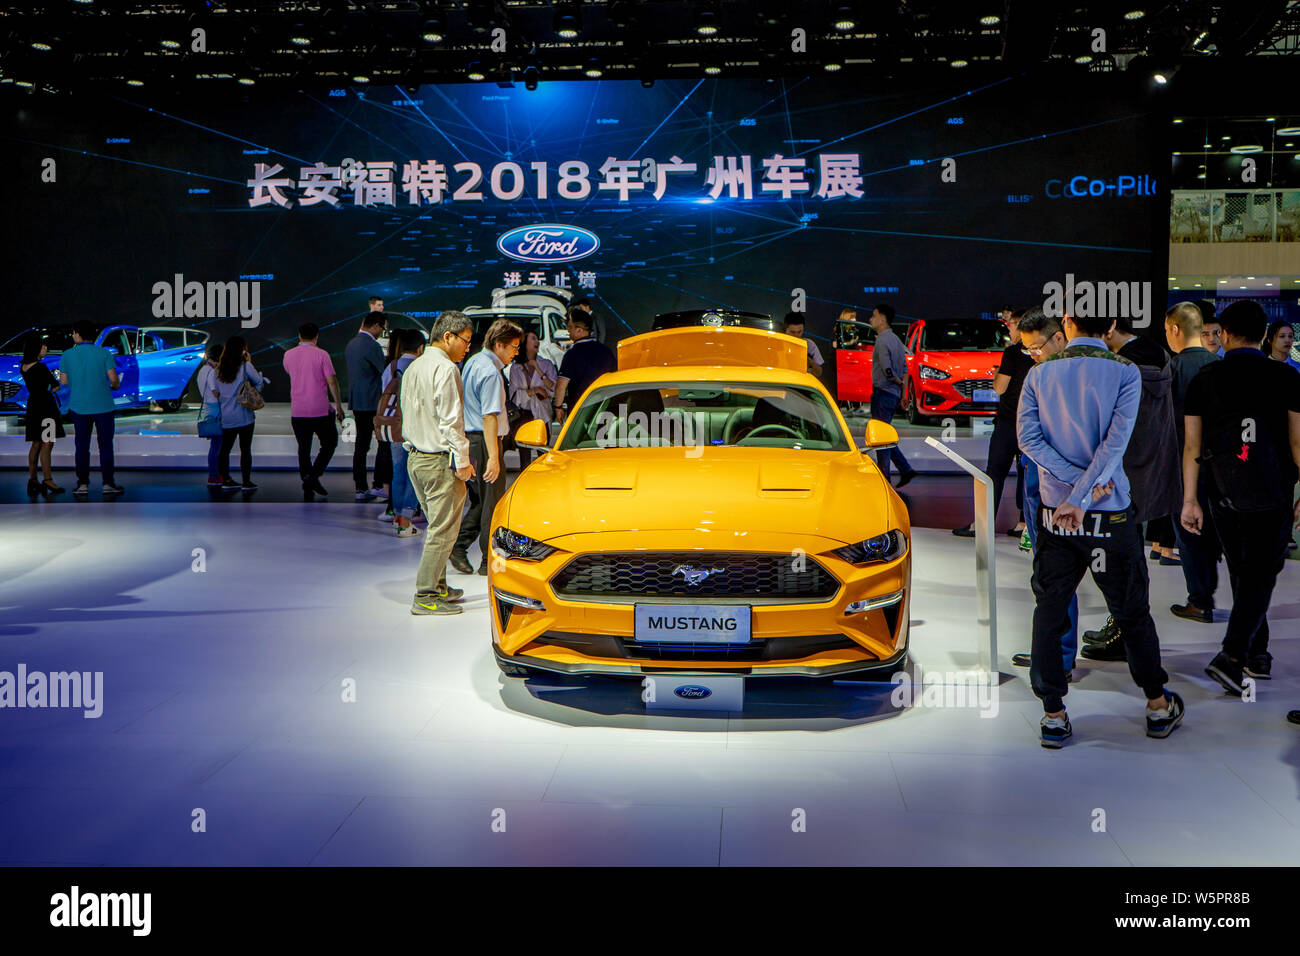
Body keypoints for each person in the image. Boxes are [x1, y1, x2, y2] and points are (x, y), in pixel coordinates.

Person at [1018, 310, 1182, 747]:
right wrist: (1086, 491)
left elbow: (1029, 440)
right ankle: (1156, 705)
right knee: (1131, 612)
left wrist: (1070, 492)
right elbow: (1117, 440)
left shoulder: (1038, 375)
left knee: (1050, 611)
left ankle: (1053, 712)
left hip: (1057, 515)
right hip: (1109, 512)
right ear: (1109, 329)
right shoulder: (1125, 371)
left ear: (1067, 325)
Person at [1182, 300, 1300, 693]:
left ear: (1225, 335)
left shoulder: (1204, 379)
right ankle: (1239, 654)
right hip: (1274, 491)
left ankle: (1250, 652)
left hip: (1223, 492)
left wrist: (1189, 500)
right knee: (1260, 575)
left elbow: (1191, 447)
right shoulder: (1287, 378)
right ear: (1265, 336)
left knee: (1243, 572)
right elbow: (1298, 443)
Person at [1007, 309, 1078, 678]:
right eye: (1027, 350)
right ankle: (1055, 652)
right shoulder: (1040, 374)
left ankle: (1060, 657)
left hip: (1066, 491)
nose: (1033, 355)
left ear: (1059, 337)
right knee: (1047, 575)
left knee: (1057, 577)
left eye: (1036, 348)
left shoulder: (1077, 377)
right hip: (1039, 482)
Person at [399, 310, 476, 616]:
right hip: (439, 461)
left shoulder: (414, 367)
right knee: (443, 532)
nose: (467, 348)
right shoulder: (446, 369)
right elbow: (451, 422)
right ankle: (426, 595)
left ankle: (439, 586)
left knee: (437, 528)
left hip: (416, 459)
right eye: (466, 341)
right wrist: (464, 461)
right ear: (448, 337)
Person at [1165, 302, 1222, 624]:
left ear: (1175, 330)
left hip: (1184, 465)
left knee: (1189, 533)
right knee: (1214, 531)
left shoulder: (1172, 369)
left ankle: (1200, 599)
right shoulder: (1219, 366)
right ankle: (1207, 595)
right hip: (1223, 465)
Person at [451, 319, 523, 575]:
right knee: (491, 503)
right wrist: (494, 456)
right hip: (486, 442)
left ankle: (458, 546)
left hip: (473, 440)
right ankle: (487, 563)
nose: (516, 352)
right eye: (513, 347)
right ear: (499, 344)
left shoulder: (472, 363)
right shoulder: (491, 372)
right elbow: (489, 416)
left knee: (483, 501)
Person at [954, 308, 1031, 538]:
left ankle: (983, 525)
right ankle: (1023, 525)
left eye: (1012, 324)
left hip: (1009, 423)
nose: (1009, 328)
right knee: (1028, 475)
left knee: (994, 473)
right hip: (1032, 423)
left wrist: (997, 373)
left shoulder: (1013, 353)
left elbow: (999, 388)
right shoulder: (1046, 354)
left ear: (1020, 325)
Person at [58, 320, 123, 497]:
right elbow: (113, 379)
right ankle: (108, 483)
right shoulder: (104, 353)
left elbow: (63, 381)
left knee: (81, 446)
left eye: (73, 333)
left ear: (78, 334)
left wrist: (79, 380)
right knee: (106, 446)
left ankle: (82, 484)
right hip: (104, 406)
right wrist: (115, 386)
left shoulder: (67, 355)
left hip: (79, 407)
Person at [283, 322, 345, 499]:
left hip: (298, 409)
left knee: (303, 448)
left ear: (299, 335)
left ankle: (307, 481)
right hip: (320, 409)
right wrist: (339, 406)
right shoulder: (322, 354)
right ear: (317, 336)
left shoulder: (288, 355)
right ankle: (313, 475)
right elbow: (331, 381)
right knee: (330, 443)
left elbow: (291, 373)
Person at [379, 329, 425, 537]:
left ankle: (398, 519)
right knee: (414, 474)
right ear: (420, 348)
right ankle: (406, 522)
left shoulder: (391, 366)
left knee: (398, 472)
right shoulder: (421, 367)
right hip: (415, 428)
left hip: (394, 426)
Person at [867, 303, 916, 487]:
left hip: (882, 393)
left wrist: (897, 382)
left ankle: (885, 481)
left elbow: (888, 370)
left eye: (873, 315)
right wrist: (902, 392)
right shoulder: (896, 340)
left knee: (881, 440)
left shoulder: (881, 340)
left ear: (882, 319)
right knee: (885, 436)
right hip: (893, 395)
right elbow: (905, 369)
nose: (871, 319)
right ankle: (905, 469)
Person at [345, 311, 390, 502]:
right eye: (382, 328)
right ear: (376, 326)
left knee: (361, 446)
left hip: (358, 402)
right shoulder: (372, 345)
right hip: (374, 401)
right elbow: (384, 371)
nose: (382, 332)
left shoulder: (351, 344)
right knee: (383, 442)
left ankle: (360, 487)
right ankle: (379, 484)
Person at [213, 335, 267, 490]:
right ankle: (246, 481)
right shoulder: (245, 366)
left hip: (227, 416)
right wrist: (249, 362)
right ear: (242, 349)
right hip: (245, 415)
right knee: (245, 449)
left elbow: (217, 391)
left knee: (224, 450)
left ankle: (226, 480)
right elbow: (258, 383)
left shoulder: (218, 370)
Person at [20, 334, 65, 498]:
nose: (45, 349)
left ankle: (33, 479)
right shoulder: (41, 368)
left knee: (35, 443)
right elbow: (56, 387)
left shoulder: (24, 367)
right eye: (43, 346)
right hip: (46, 408)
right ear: (36, 349)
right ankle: (48, 479)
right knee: (47, 443)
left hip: (33, 407)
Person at [553, 309, 615, 423]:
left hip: (579, 411)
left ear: (579, 330)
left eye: (570, 326)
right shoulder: (607, 352)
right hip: (605, 409)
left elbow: (561, 385)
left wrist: (558, 407)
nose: (567, 329)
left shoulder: (572, 354)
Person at [509, 329, 557, 469]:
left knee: (543, 453)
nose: (537, 342)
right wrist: (535, 390)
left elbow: (552, 390)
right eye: (533, 338)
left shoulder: (546, 364)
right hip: (525, 414)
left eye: (537, 339)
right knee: (525, 456)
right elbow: (514, 395)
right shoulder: (516, 368)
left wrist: (538, 370)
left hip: (542, 414)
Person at [196, 341, 224, 488]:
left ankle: (216, 474)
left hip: (208, 408)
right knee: (218, 446)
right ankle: (215, 475)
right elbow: (216, 392)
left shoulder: (202, 370)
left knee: (216, 445)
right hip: (215, 409)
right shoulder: (212, 372)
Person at [782, 312, 824, 378]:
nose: (796, 336)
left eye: (799, 332)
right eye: (792, 332)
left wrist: (810, 362)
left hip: (803, 383)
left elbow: (819, 373)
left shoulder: (810, 345)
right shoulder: (778, 344)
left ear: (803, 329)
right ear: (785, 330)